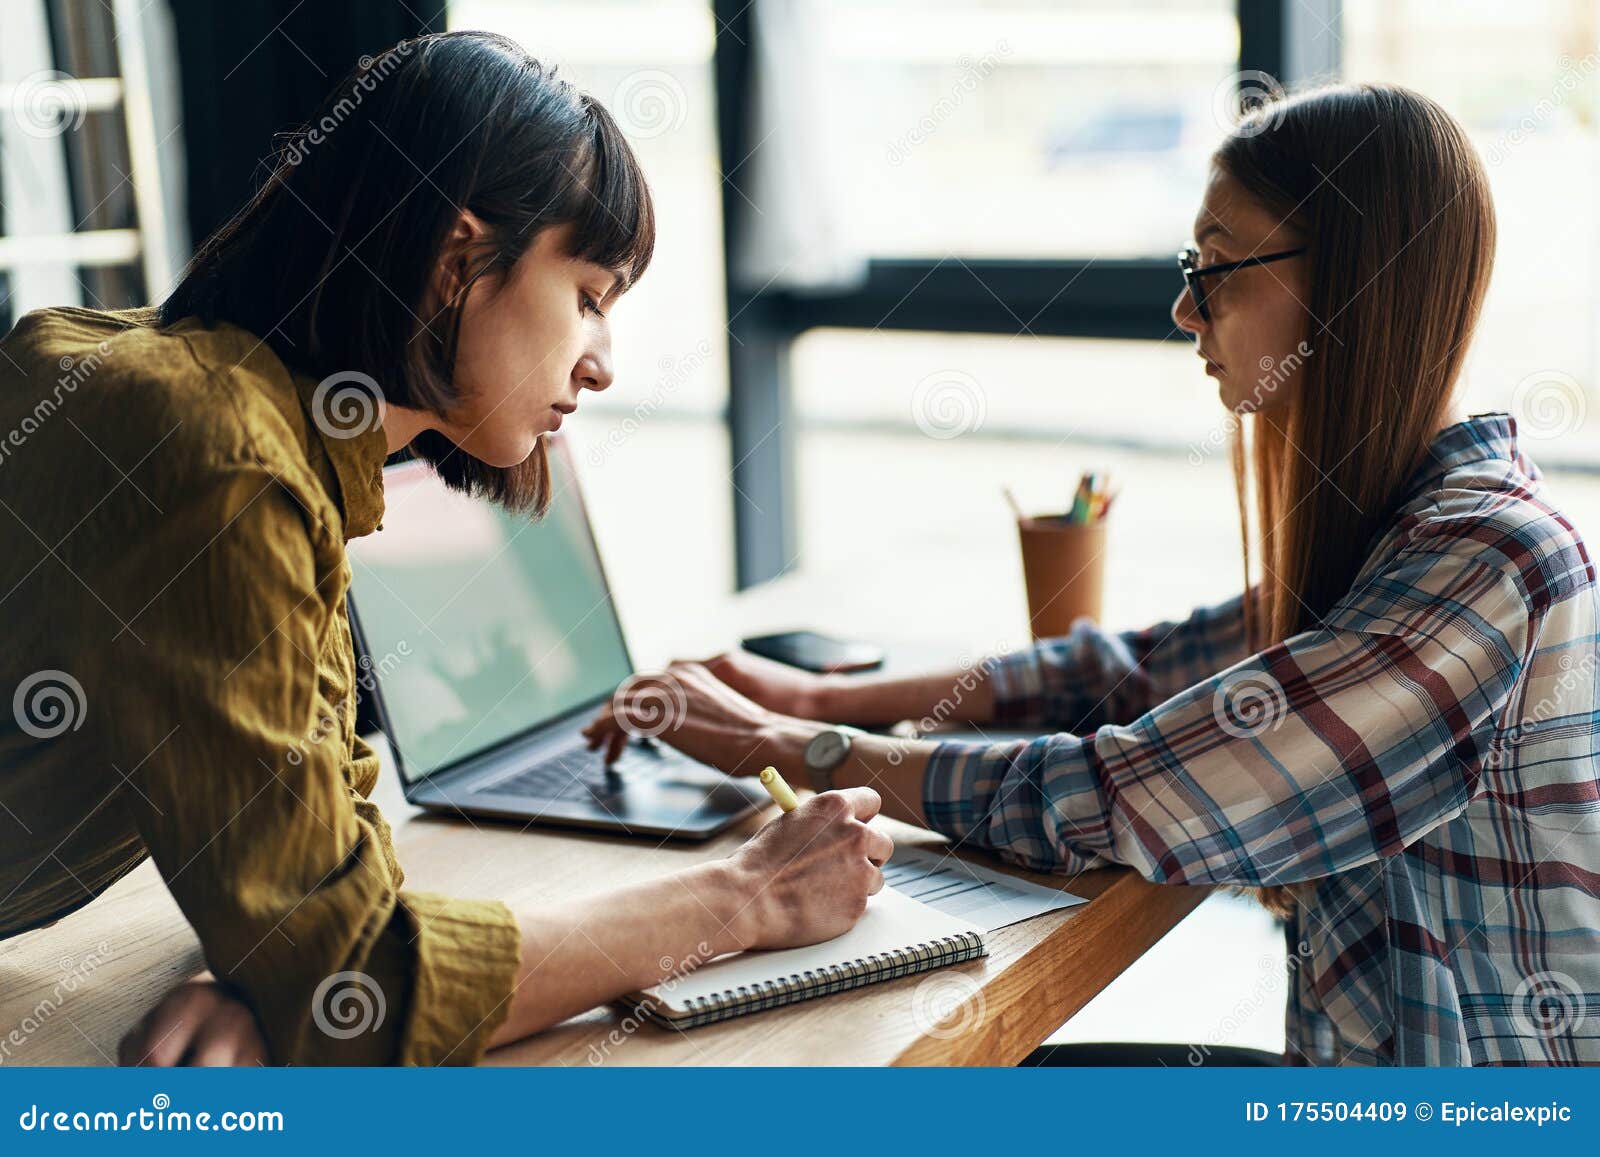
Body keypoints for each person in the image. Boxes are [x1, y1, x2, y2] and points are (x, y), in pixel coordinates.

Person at [586, 84, 1600, 1066]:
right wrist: (821, 695)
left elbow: (1135, 790)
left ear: (1355, 280)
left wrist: (796, 749)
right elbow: (1134, 670)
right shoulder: (1401, 534)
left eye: (1215, 267)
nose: (1183, 308)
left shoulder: (1486, 562)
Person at [0, 31, 891, 1067]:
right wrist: (749, 893)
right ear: (457, 260)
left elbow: (329, 892)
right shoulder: (224, 460)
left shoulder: (225, 417)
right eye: (591, 298)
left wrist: (263, 967)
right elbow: (356, 980)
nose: (603, 363)